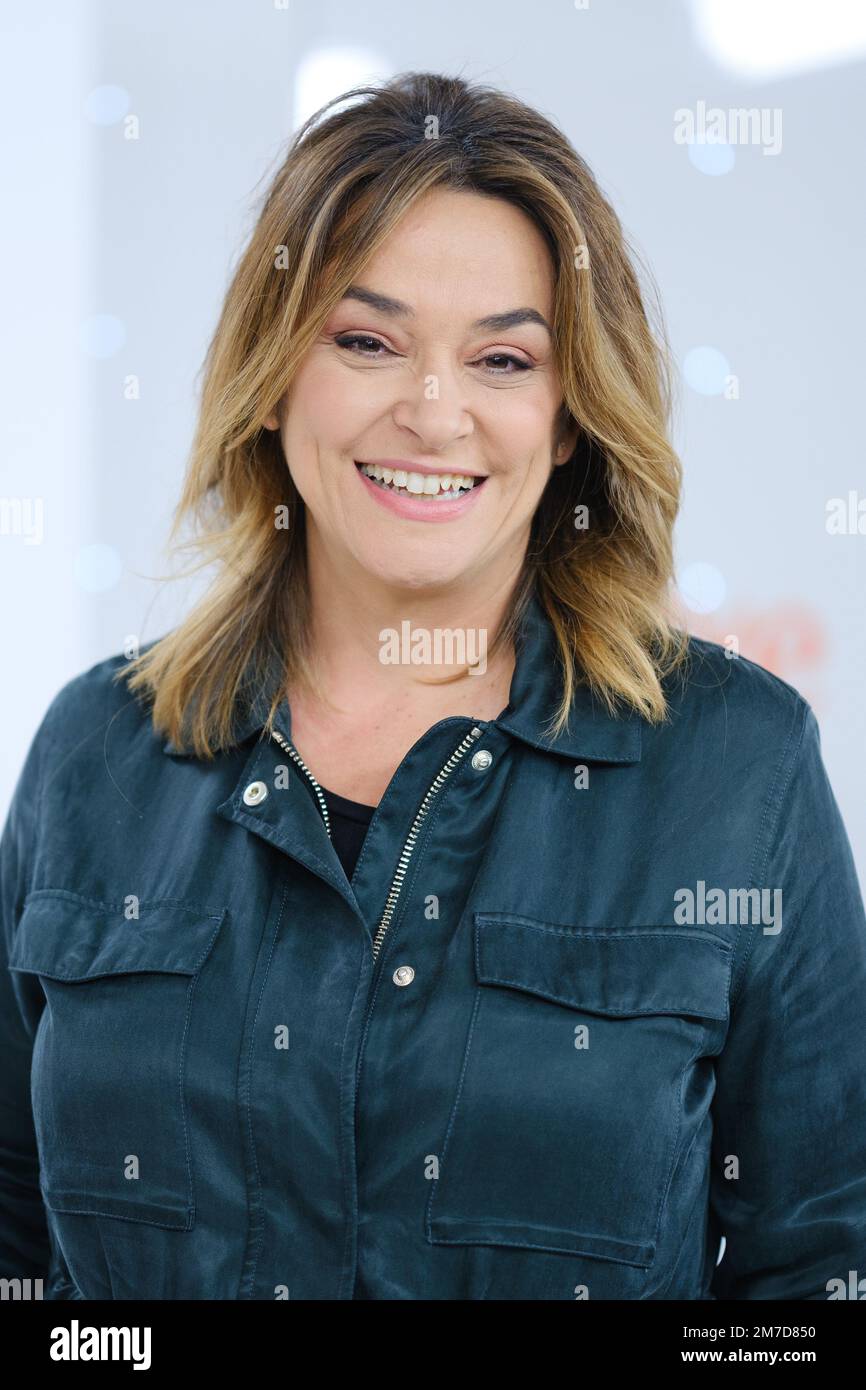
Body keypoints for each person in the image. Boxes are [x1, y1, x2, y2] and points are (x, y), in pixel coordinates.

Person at [2, 71, 864, 1302]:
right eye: (366, 342)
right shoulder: (97, 750)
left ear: (568, 417)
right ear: (276, 372)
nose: (431, 410)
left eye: (502, 358)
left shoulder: (737, 765)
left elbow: (823, 1265)